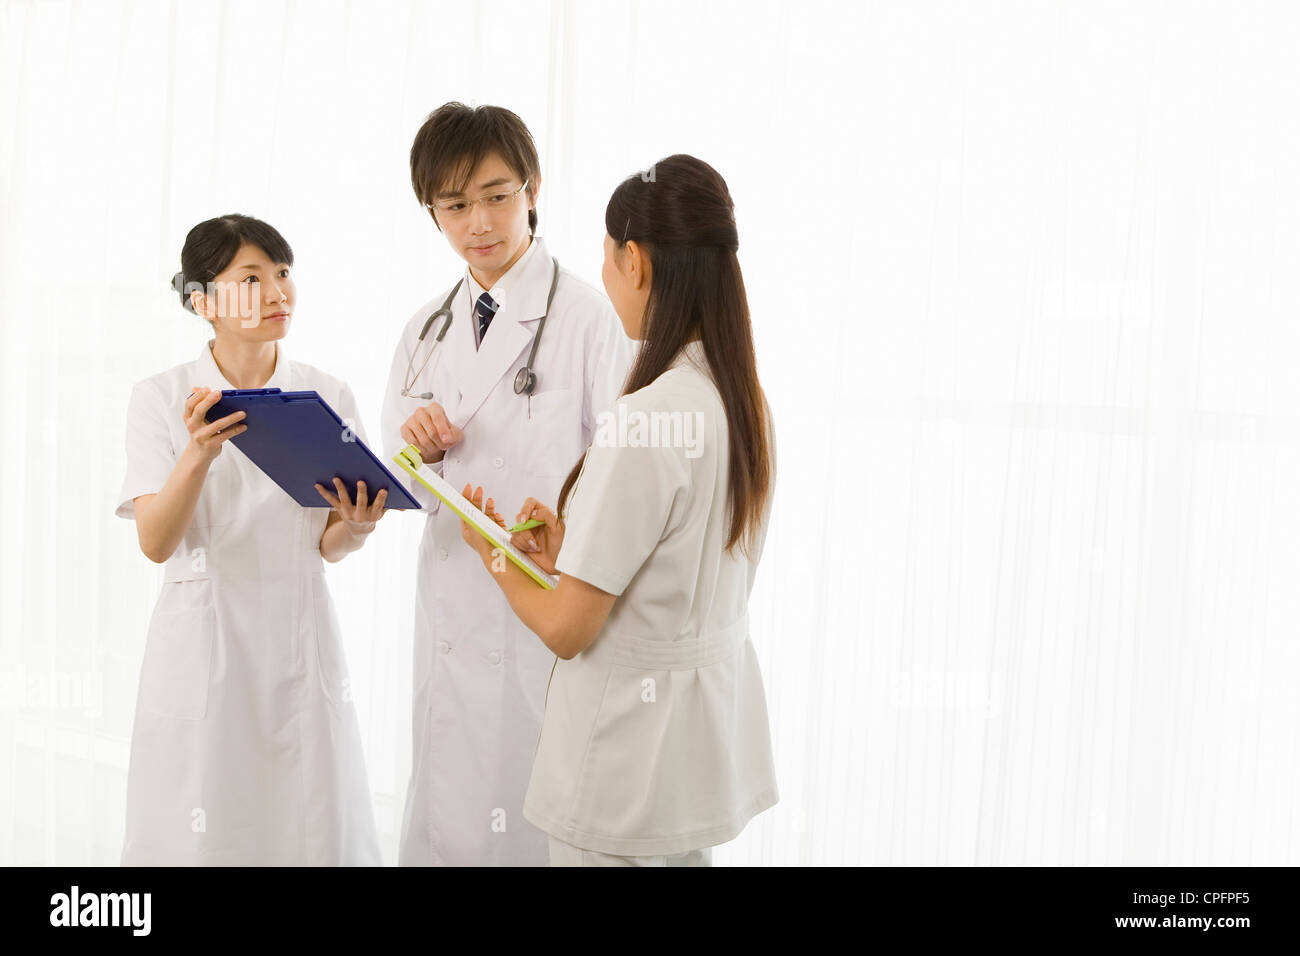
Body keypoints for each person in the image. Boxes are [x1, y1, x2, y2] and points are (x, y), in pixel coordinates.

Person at [459, 154, 778, 866]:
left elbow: (569, 629)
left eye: (608, 256)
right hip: (689, 760)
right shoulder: (741, 403)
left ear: (634, 261)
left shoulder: (645, 418)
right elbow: (679, 565)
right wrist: (573, 544)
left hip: (618, 765)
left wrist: (496, 554)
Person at [381, 103, 634, 865]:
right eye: (455, 205)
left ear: (533, 188)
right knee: (449, 810)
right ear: (432, 212)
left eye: (496, 195)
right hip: (453, 605)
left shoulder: (590, 320)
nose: (479, 221)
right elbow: (412, 486)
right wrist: (418, 450)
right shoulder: (425, 328)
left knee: (530, 819)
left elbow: (623, 474)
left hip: (546, 609)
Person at [116, 214, 384, 865]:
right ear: (202, 301)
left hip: (300, 632)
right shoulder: (160, 398)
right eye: (252, 278)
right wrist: (196, 456)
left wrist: (358, 522)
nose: (277, 292)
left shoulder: (326, 392)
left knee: (304, 820)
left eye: (284, 273)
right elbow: (156, 542)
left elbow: (328, 544)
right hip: (205, 641)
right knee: (199, 823)